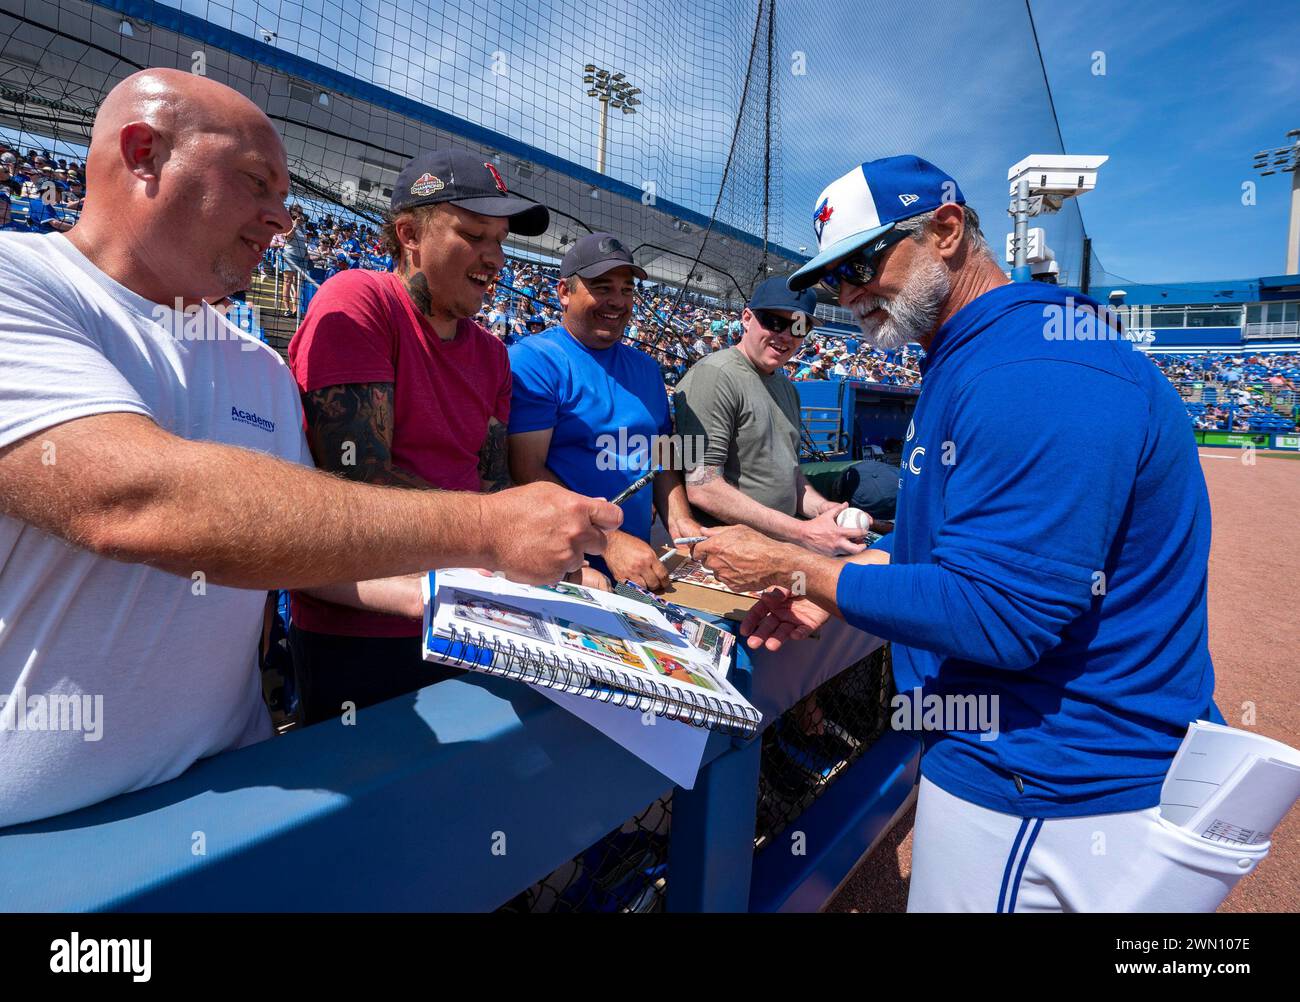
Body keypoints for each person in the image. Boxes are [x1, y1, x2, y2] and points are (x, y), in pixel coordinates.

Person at [0, 69, 620, 830]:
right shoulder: (18, 284)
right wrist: (492, 531)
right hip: (39, 831)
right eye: (258, 183)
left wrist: (494, 597)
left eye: (285, 196)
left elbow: (317, 552)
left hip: (245, 790)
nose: (281, 219)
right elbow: (131, 502)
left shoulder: (257, 366)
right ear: (142, 153)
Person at [695, 155, 1254, 913]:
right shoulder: (980, 353)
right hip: (1052, 768)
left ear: (947, 231)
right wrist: (843, 595)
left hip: (1054, 783)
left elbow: (1001, 612)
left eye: (860, 263)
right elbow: (958, 557)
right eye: (831, 279)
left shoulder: (1033, 364)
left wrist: (802, 569)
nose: (848, 294)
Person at [284, 149, 555, 724]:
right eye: (475, 235)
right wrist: (498, 532)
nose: (495, 258)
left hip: (473, 611)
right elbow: (357, 478)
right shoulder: (359, 300)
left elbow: (492, 481)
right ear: (409, 233)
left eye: (501, 240)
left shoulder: (491, 354)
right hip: (365, 624)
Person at [508, 233, 702, 591]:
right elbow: (525, 469)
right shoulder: (533, 359)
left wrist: (680, 519)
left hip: (640, 565)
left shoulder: (646, 368)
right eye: (602, 287)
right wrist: (606, 541)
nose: (617, 301)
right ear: (564, 291)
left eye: (627, 290)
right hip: (564, 568)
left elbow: (661, 455)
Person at [674, 277, 866, 557]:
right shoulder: (715, 375)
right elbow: (703, 487)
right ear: (747, 318)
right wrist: (802, 531)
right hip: (729, 553)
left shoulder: (786, 387)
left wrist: (822, 509)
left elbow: (792, 477)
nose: (786, 335)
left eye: (799, 327)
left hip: (777, 547)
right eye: (774, 322)